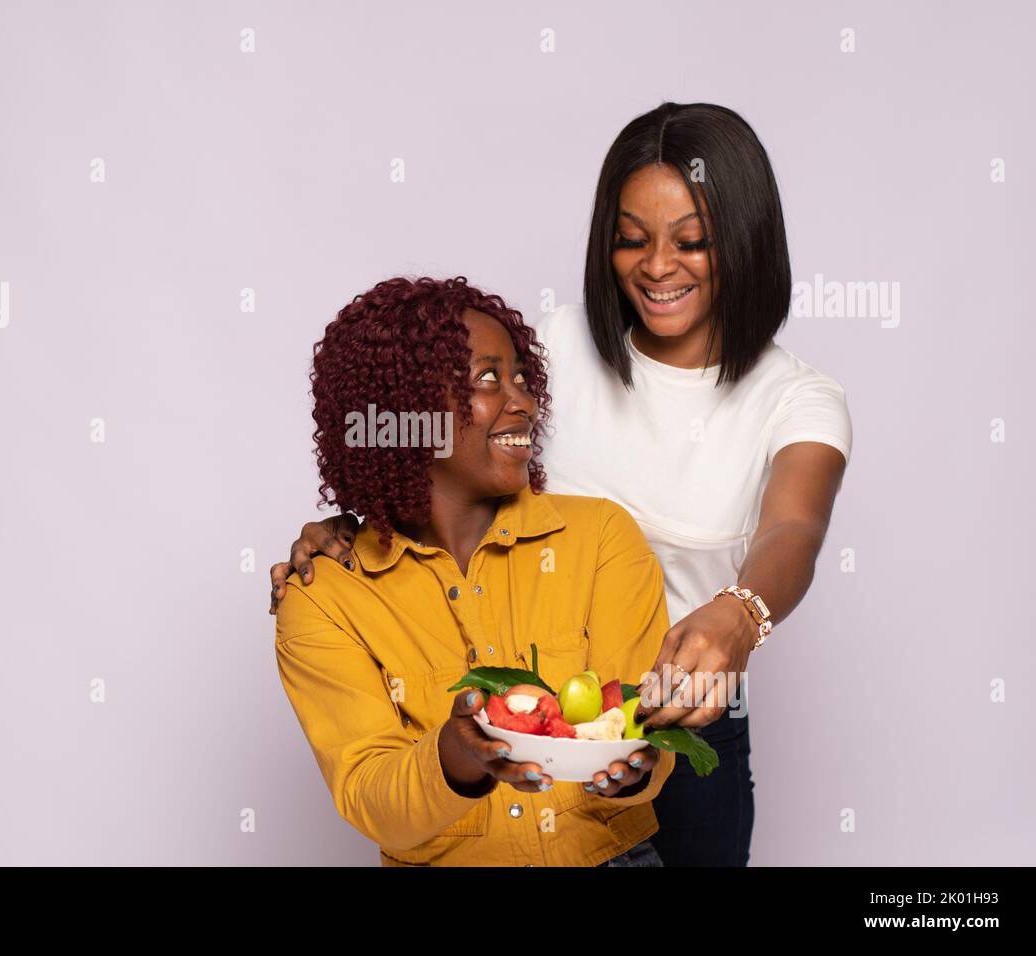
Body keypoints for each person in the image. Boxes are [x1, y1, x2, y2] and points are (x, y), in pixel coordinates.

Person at [270, 103, 851, 867]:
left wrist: (740, 615)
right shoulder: (552, 351)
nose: (656, 266)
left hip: (691, 707)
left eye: (692, 241)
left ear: (744, 241)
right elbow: (438, 426)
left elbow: (792, 533)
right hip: (547, 703)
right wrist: (358, 521)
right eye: (631, 240)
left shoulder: (797, 397)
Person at [274, 275, 677, 866]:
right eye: (488, 379)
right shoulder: (323, 596)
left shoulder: (599, 539)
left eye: (521, 376)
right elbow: (367, 794)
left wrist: (634, 770)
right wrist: (455, 757)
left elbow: (638, 716)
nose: (523, 400)